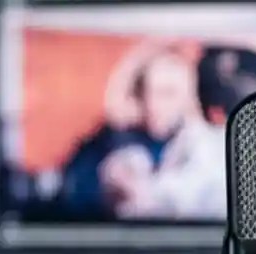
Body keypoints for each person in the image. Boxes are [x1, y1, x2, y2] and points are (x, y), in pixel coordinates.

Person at [57, 46, 227, 221]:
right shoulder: (110, 143)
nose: (153, 104)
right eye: (146, 91)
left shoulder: (213, 149)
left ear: (187, 97)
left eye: (167, 93)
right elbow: (74, 192)